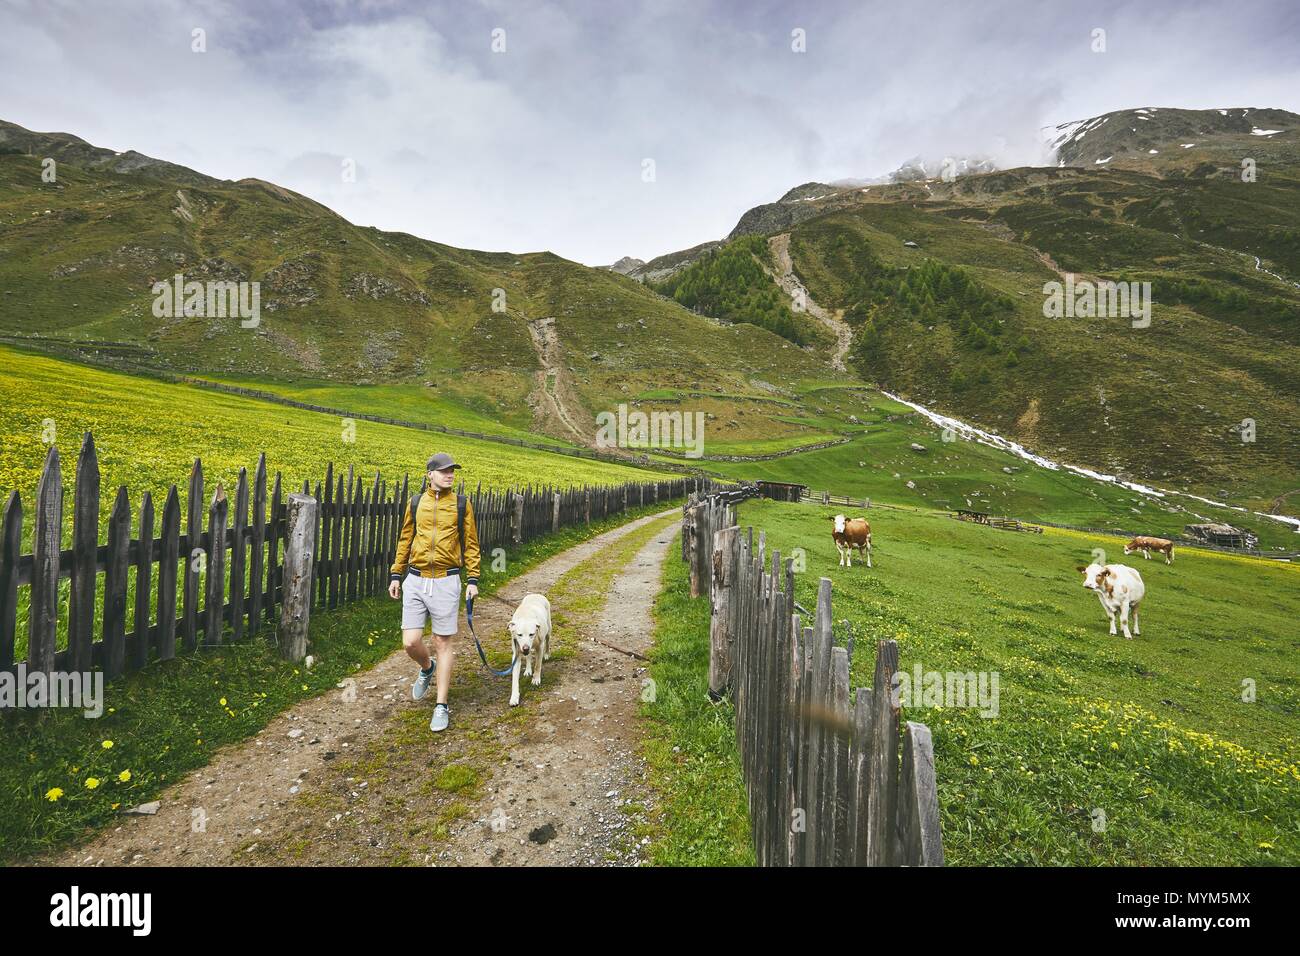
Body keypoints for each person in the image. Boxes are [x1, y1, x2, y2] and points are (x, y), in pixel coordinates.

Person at [388, 452, 481, 733]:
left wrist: (473, 578)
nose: (449, 474)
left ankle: (441, 704)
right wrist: (396, 572)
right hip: (415, 579)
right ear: (429, 474)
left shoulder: (462, 504)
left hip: (446, 580)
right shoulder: (416, 503)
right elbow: (406, 538)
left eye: (452, 470)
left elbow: (472, 543)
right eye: (443, 470)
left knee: (442, 641)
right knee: (410, 642)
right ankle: (427, 668)